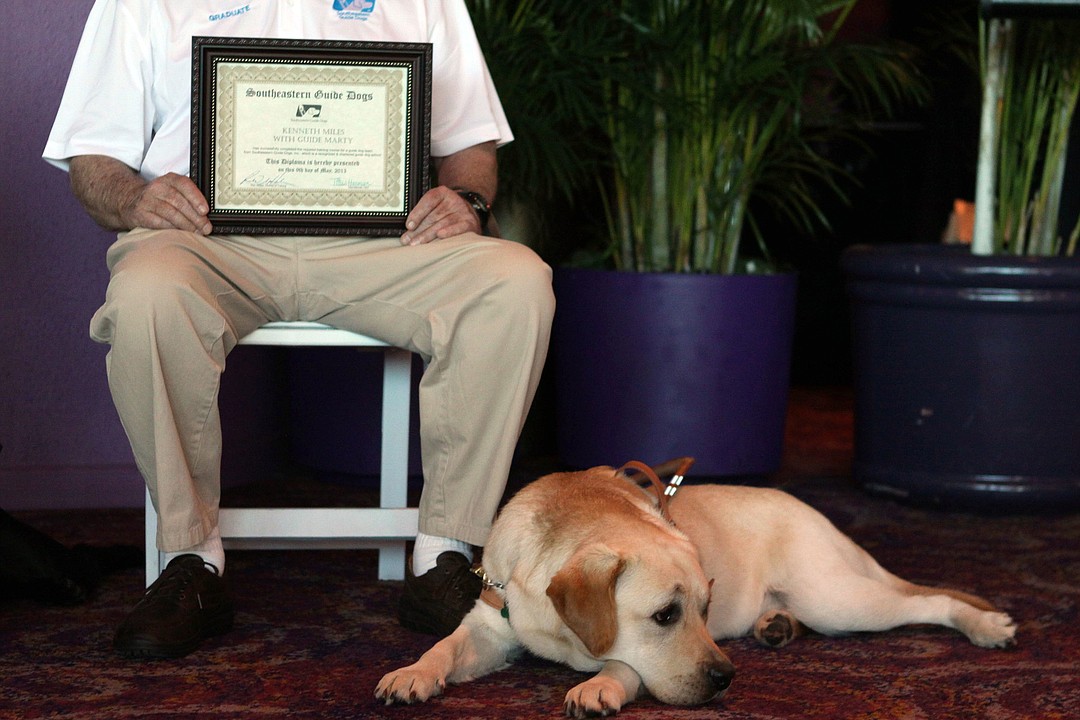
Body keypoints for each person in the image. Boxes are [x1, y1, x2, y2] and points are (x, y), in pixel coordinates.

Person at [43, 0, 554, 659]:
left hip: (383, 242)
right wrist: (137, 198)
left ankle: (445, 556)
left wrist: (467, 200)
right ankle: (191, 562)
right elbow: (93, 161)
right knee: (146, 292)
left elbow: (470, 142)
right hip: (205, 239)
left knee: (514, 281)